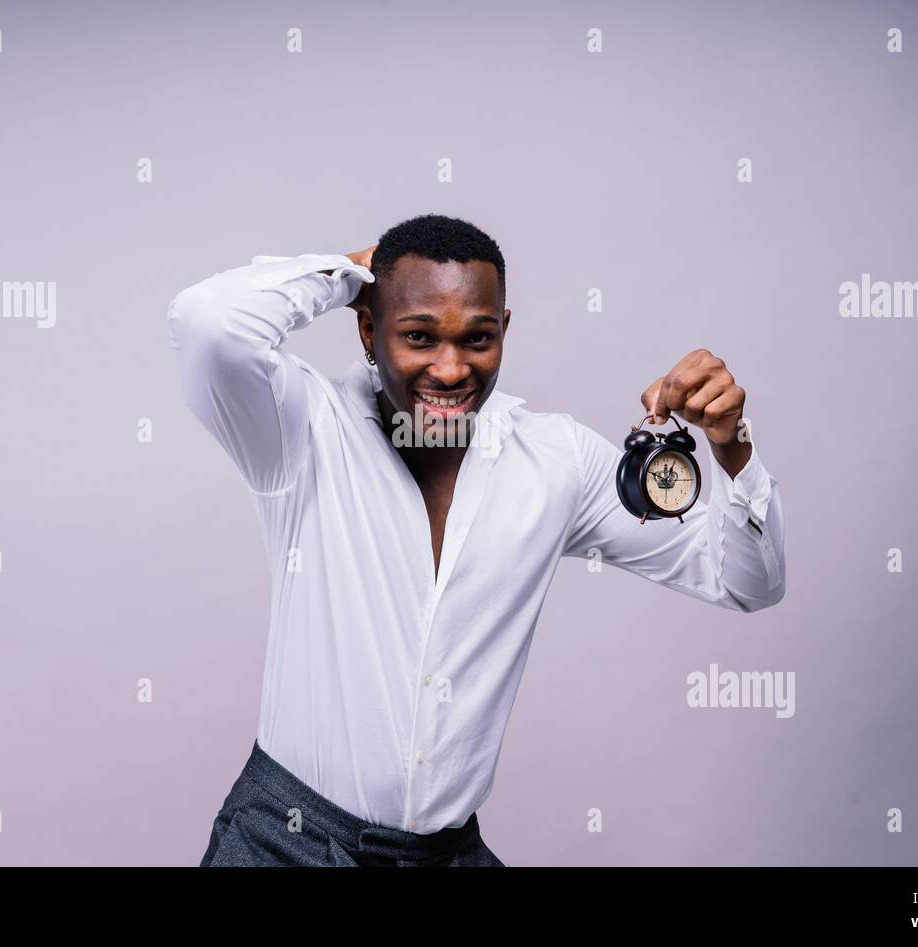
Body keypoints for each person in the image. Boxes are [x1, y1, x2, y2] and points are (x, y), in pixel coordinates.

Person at [164, 213, 786, 866]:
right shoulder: (301, 431)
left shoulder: (555, 462)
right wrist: (354, 273)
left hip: (446, 854)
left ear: (504, 331)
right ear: (370, 331)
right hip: (286, 844)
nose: (451, 368)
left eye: (477, 337)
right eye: (419, 335)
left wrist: (730, 447)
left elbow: (744, 581)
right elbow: (208, 322)